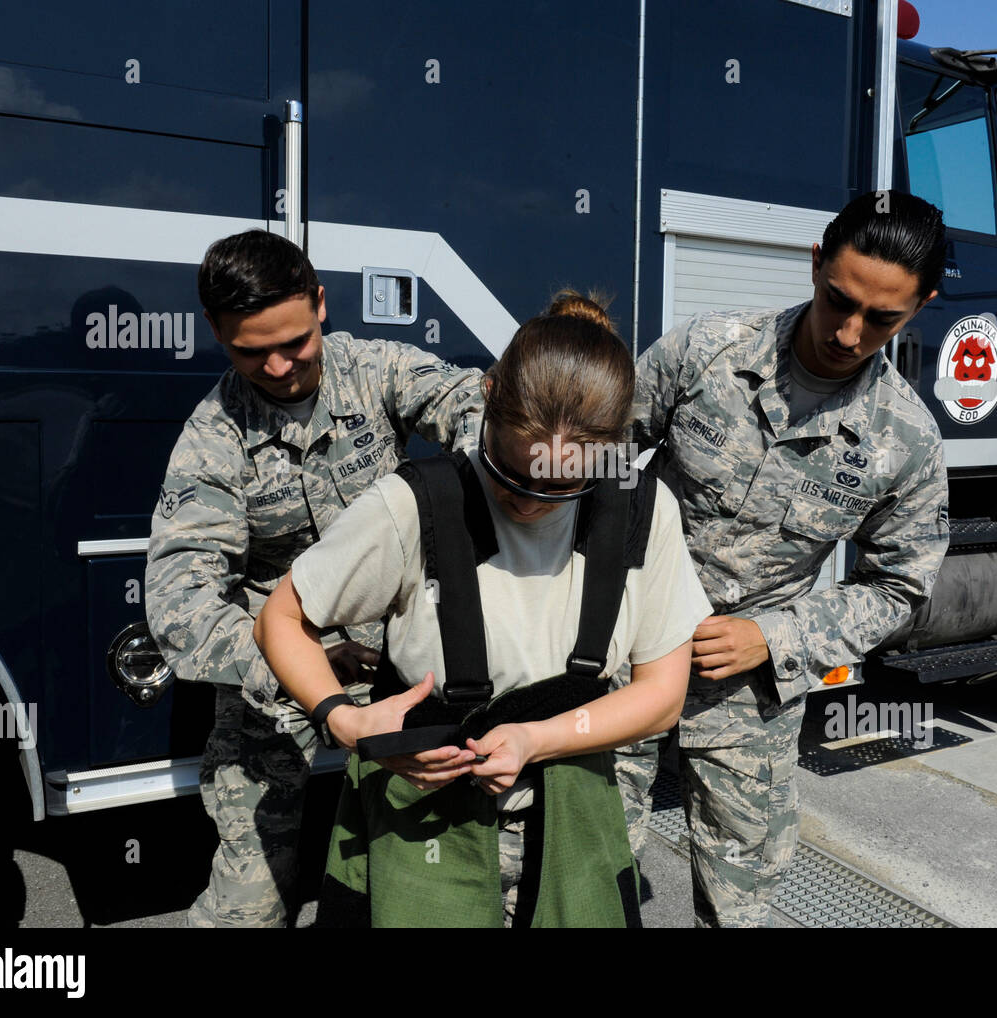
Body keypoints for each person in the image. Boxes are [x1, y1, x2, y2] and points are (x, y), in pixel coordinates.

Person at [253, 293, 713, 927]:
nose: (528, 502)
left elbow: (661, 695)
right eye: (509, 473)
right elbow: (281, 619)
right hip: (423, 830)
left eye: (561, 486)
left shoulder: (640, 510)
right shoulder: (414, 505)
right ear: (487, 398)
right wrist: (345, 721)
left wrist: (535, 739)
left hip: (574, 822)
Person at [618, 190, 951, 927]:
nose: (850, 334)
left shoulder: (904, 439)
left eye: (883, 319)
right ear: (816, 263)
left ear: (921, 306)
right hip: (626, 654)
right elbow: (600, 458)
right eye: (840, 301)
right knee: (585, 868)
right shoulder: (707, 351)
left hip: (747, 689)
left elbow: (900, 584)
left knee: (739, 901)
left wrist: (773, 637)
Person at [144, 229, 483, 927]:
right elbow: (180, 600)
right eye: (250, 351)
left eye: (294, 342)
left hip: (397, 657)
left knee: (434, 871)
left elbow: (478, 409)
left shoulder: (376, 370)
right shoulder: (214, 437)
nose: (276, 366)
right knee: (247, 907)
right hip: (273, 673)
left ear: (321, 304)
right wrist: (300, 664)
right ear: (215, 331)